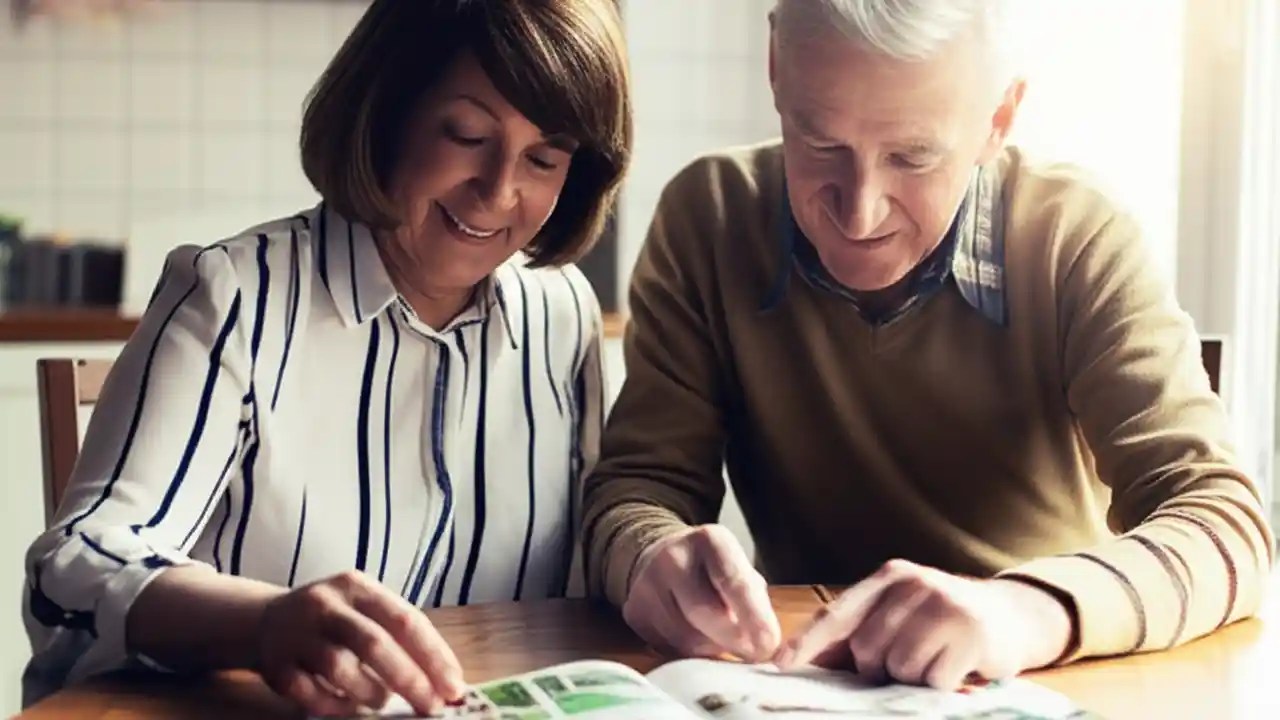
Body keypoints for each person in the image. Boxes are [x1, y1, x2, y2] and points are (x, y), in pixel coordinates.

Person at [583, 0, 1274, 692]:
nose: (860, 213)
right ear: (776, 71)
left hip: (1038, 682)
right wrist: (648, 555)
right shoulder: (708, 218)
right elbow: (637, 489)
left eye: (912, 157)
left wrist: (1022, 612)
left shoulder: (1076, 237)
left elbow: (1226, 524)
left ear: (999, 118)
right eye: (820, 143)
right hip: (796, 683)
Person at [23, 0, 629, 715]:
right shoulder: (235, 294)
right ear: (386, 110)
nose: (499, 191)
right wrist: (263, 624)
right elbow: (75, 565)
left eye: (543, 159)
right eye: (466, 134)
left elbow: (588, 566)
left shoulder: (564, 313)